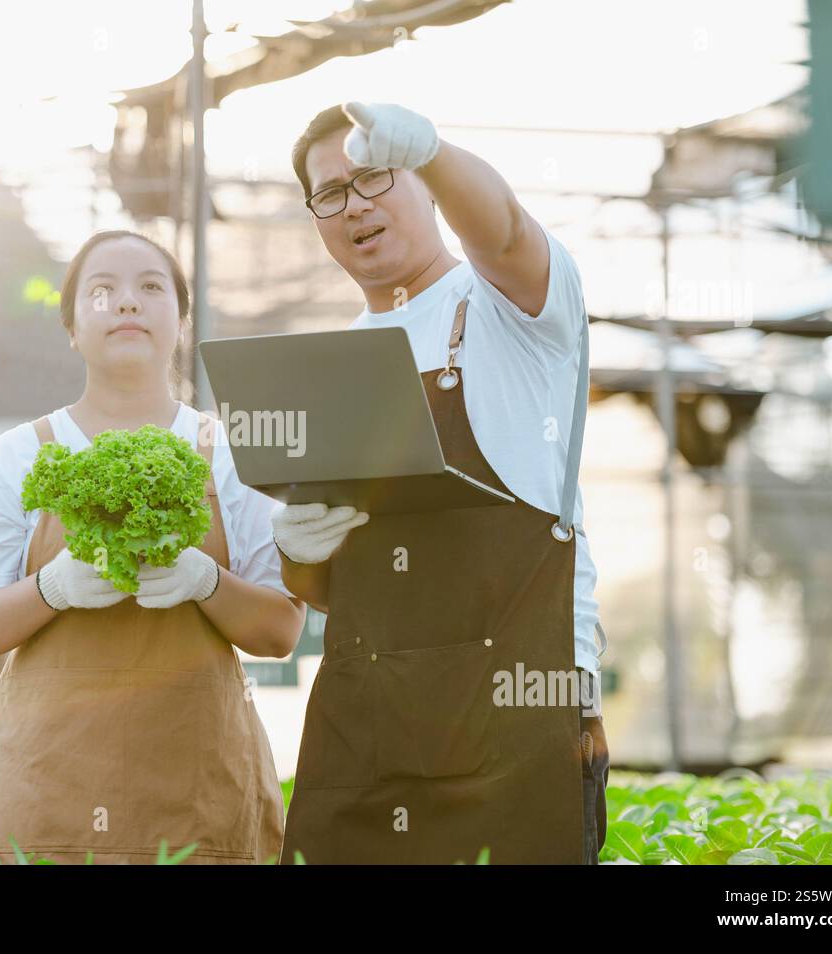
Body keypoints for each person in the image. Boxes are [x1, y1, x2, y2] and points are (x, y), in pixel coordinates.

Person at [274, 102, 611, 864]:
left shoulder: (512, 310)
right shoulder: (332, 370)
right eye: (330, 193)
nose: (354, 203)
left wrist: (434, 150)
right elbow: (332, 589)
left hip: (521, 704)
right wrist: (295, 546)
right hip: (366, 718)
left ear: (426, 187)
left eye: (375, 176)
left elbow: (506, 231)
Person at [0, 229, 306, 864]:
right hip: (46, 795)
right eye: (102, 291)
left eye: (151, 287)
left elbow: (280, 631)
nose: (128, 303)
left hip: (201, 796)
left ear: (181, 322)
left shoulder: (235, 455)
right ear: (73, 329)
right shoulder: (15, 458)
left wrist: (208, 582)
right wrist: (50, 589)